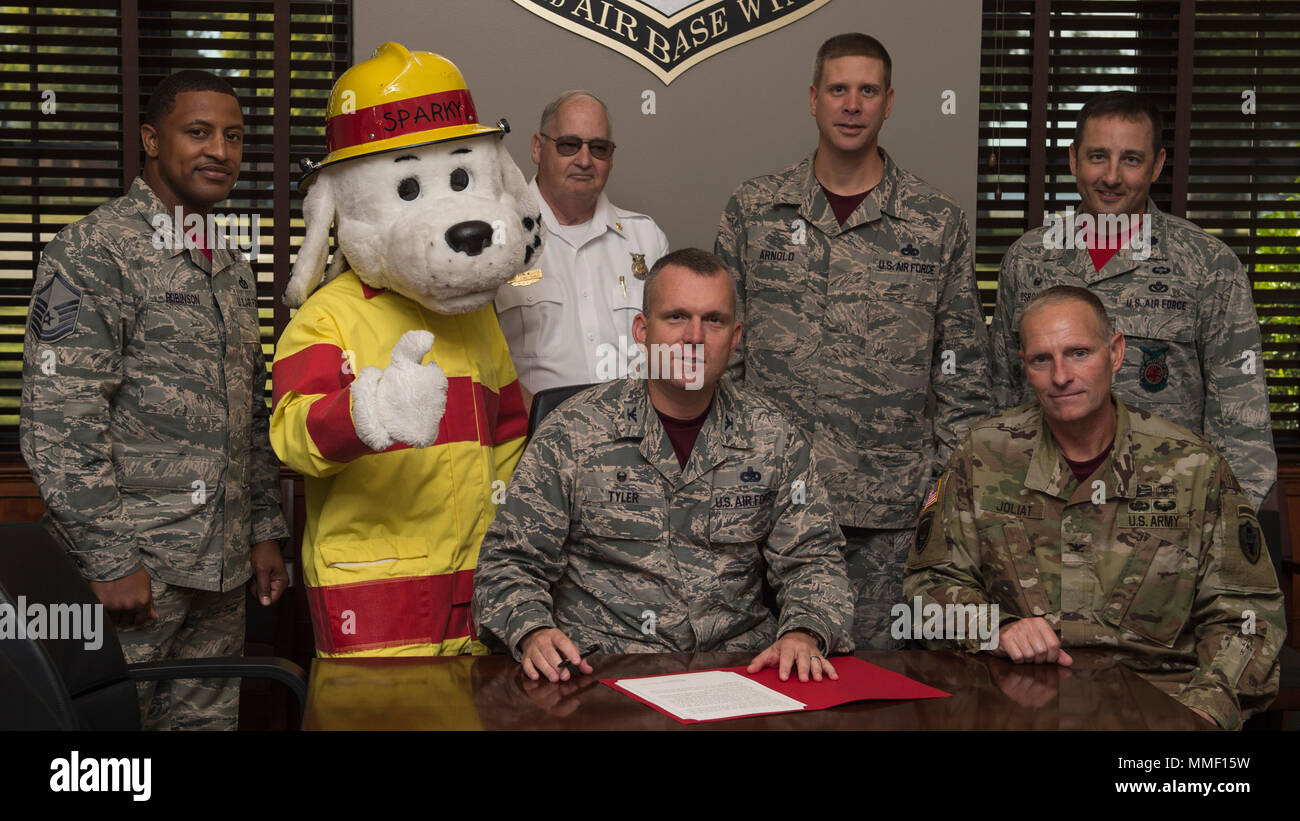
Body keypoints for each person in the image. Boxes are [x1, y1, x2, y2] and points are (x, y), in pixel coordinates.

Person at [19, 70, 289, 730]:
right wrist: (111, 560)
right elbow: (59, 422)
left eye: (232, 136)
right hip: (137, 572)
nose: (219, 151)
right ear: (150, 139)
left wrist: (261, 531)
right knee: (108, 759)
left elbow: (246, 413)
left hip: (220, 575)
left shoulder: (229, 263)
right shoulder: (92, 252)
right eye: (197, 132)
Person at [715, 33, 993, 649]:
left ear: (889, 102)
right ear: (813, 99)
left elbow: (963, 373)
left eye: (867, 91)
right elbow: (721, 357)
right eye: (838, 89)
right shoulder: (756, 210)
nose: (852, 104)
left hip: (888, 517)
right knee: (762, 690)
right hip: (765, 508)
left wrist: (942, 492)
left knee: (877, 694)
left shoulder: (935, 220)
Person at [904, 286, 1284, 730]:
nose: (1061, 376)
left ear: (1116, 353)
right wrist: (996, 628)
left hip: (1155, 707)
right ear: (1024, 367)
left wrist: (1202, 713)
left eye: (1079, 352)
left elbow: (1246, 615)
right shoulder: (984, 455)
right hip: (1015, 705)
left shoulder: (1192, 466)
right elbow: (927, 585)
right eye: (1041, 359)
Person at [473, 248, 853, 683]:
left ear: (735, 336)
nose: (694, 337)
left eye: (714, 320)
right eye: (676, 317)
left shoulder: (774, 438)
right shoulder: (574, 431)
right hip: (601, 677)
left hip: (738, 672)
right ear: (642, 330)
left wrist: (805, 633)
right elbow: (508, 562)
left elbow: (815, 560)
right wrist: (533, 630)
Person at [989, 90, 1275, 510]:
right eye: (1098, 156)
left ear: (1158, 165)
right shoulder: (1028, 259)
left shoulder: (1208, 265)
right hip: (1045, 512)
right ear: (1073, 160)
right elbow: (1001, 397)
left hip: (1165, 513)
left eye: (1131, 159)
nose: (1112, 177)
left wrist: (1223, 531)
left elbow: (1242, 424)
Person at [494, 90, 668, 400]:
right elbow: (477, 356)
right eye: (569, 145)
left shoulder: (647, 237)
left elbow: (670, 344)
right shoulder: (498, 238)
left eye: (599, 148)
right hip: (534, 433)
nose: (585, 160)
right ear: (537, 148)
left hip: (638, 431)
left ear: (611, 158)